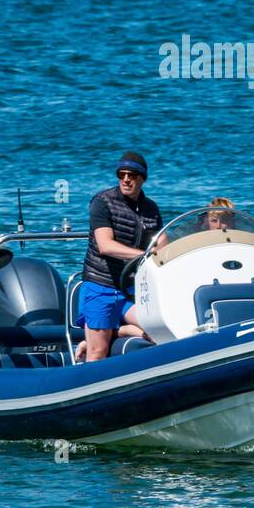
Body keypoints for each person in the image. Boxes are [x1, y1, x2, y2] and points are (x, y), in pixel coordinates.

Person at [75, 152, 162, 362]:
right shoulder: (102, 202)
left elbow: (163, 243)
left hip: (129, 290)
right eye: (121, 174)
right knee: (98, 352)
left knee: (160, 328)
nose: (125, 179)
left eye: (131, 175)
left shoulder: (150, 208)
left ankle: (111, 332)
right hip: (100, 285)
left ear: (142, 178)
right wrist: (145, 255)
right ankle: (93, 346)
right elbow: (105, 246)